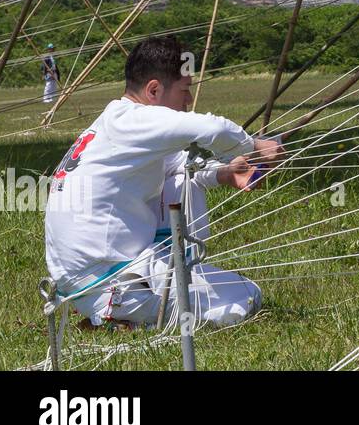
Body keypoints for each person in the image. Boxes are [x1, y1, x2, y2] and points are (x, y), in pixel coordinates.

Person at [44, 35, 284, 329]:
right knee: (246, 297)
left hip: (84, 282)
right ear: (154, 90)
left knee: (181, 178)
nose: (188, 101)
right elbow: (211, 127)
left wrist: (225, 172)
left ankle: (122, 312)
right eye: (185, 90)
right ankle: (126, 319)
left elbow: (180, 164)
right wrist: (254, 146)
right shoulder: (133, 121)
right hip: (113, 283)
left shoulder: (117, 123)